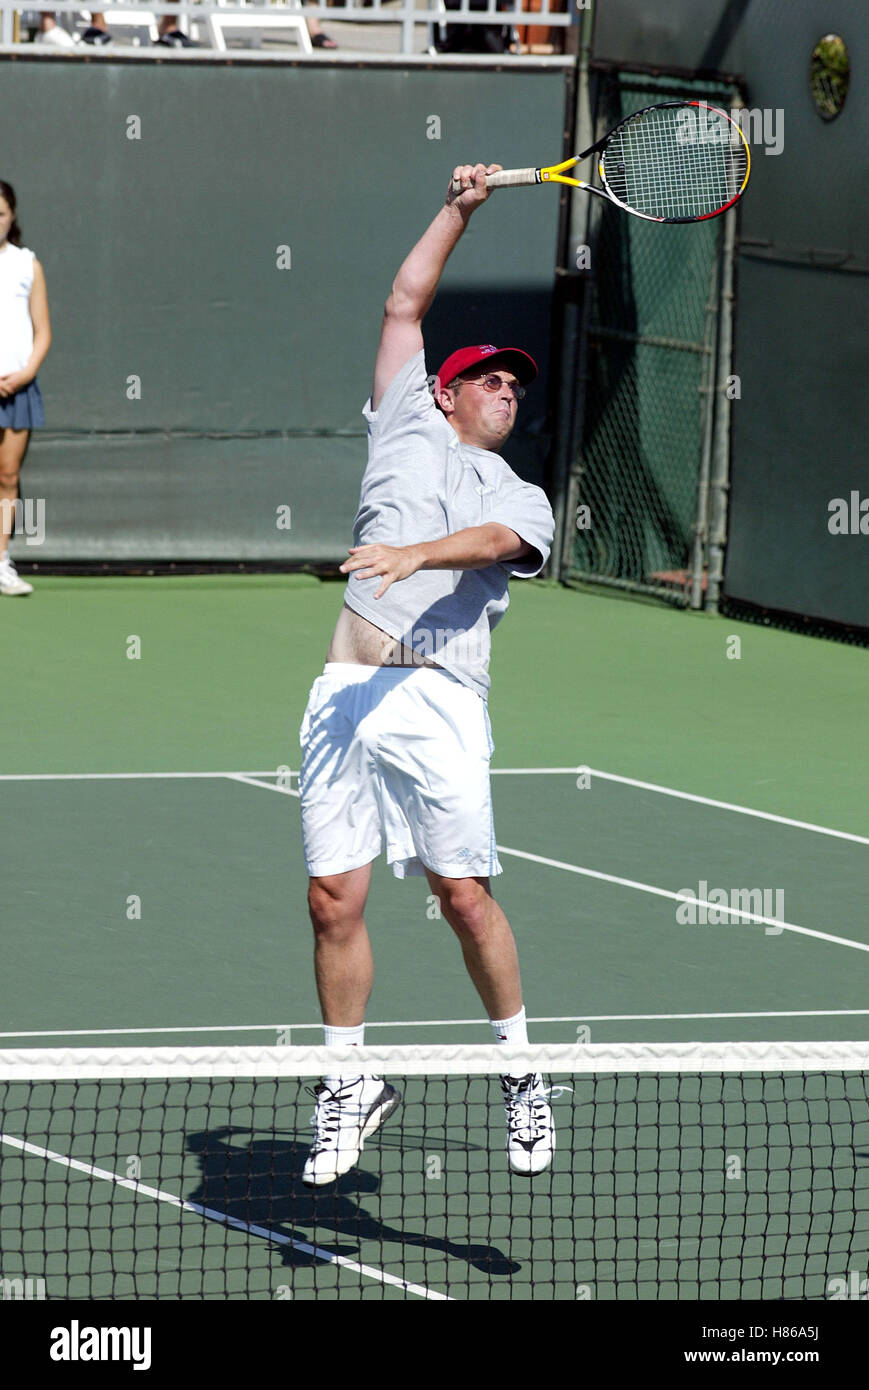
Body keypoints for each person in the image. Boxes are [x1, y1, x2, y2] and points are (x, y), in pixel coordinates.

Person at [298, 162, 556, 1187]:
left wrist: (414, 555)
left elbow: (495, 541)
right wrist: (460, 208)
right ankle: (348, 1084)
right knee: (330, 899)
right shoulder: (402, 417)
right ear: (442, 390)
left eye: (516, 385)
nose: (506, 391)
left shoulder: (519, 494)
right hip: (342, 692)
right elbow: (406, 297)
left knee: (461, 894)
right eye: (490, 377)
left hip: (440, 698)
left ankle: (519, 1073)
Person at [0, 182, 51, 598]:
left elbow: (43, 331)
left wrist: (26, 373)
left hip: (17, 391)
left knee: (8, 475)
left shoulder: (27, 264)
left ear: (11, 216)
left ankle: (1, 563)